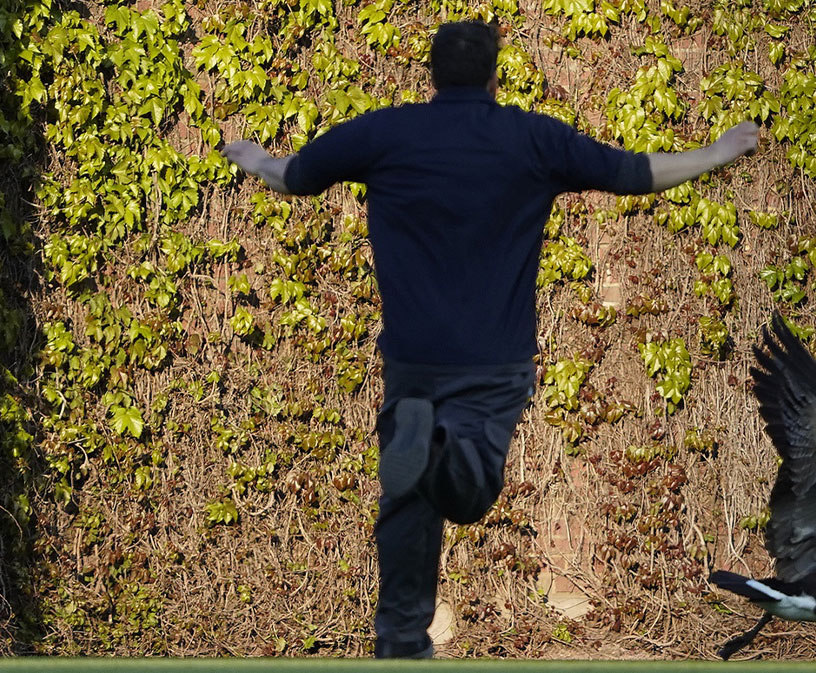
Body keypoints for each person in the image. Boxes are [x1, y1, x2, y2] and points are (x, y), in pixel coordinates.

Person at [221, 20, 759, 659]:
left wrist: (253, 157)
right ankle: (441, 454)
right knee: (467, 494)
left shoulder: (385, 132)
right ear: (493, 74)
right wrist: (718, 151)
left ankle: (400, 642)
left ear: (431, 72)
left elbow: (294, 177)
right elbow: (635, 173)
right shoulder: (530, 138)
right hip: (492, 361)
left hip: (413, 361)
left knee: (406, 506)